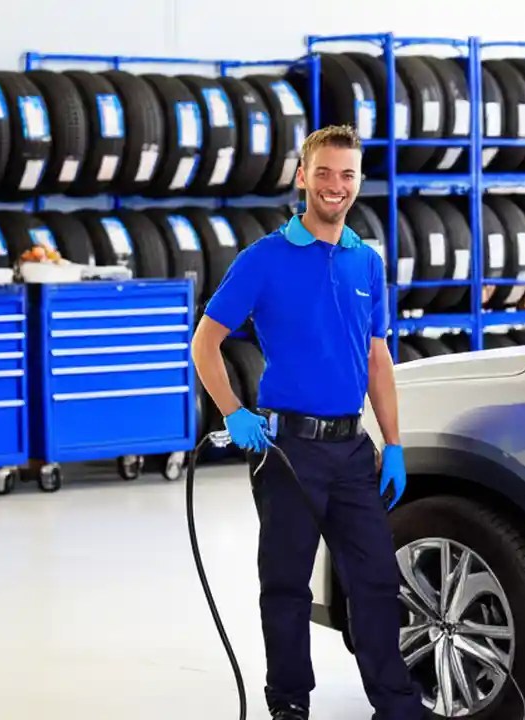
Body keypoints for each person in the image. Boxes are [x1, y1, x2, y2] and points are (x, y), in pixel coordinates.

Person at [190, 124, 424, 720]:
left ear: (359, 183)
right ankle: (290, 703)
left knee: (375, 582)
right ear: (302, 176)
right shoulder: (264, 260)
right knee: (288, 587)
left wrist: (392, 444)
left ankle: (396, 706)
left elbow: (377, 359)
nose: (335, 186)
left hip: (352, 452)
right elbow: (205, 343)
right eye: (323, 172)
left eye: (347, 175)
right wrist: (234, 412)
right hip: (288, 450)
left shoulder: (366, 262)